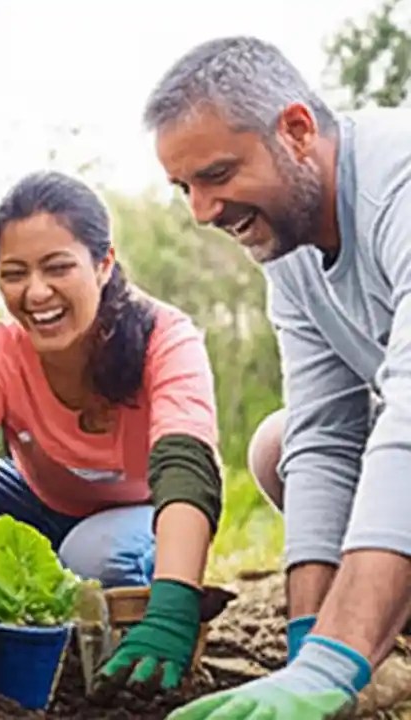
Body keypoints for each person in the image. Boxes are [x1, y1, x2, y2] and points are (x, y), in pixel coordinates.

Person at [142, 37, 411, 720]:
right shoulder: (287, 244)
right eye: (185, 189)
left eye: (217, 174)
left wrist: (335, 660)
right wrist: (305, 651)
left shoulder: (400, 182)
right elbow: (324, 432)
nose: (201, 212)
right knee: (279, 444)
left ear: (294, 130)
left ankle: (364, 638)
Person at [0, 171, 223, 697]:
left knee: (92, 558)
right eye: (14, 273)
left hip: (144, 512)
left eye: (58, 267)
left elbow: (186, 467)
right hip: (41, 502)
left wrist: (176, 604)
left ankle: (119, 590)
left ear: (103, 264)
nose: (36, 292)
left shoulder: (165, 338)